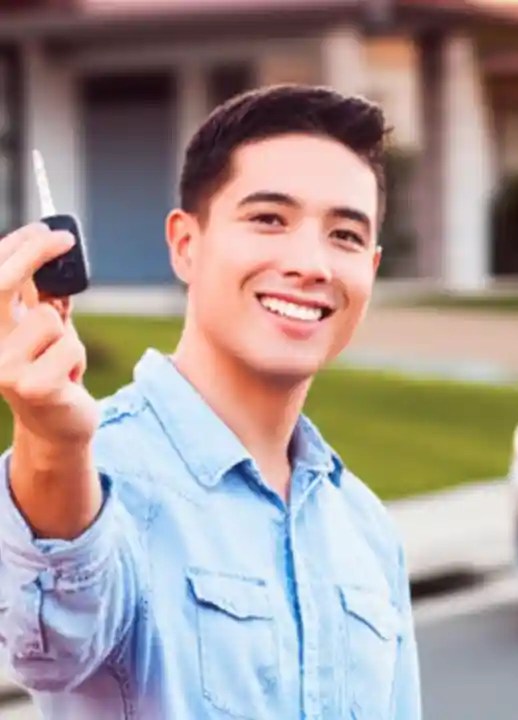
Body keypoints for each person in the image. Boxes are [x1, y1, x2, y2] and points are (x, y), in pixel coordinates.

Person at [0, 84, 421, 719]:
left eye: (345, 234)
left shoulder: (366, 529)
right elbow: (51, 645)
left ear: (372, 265)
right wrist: (53, 443)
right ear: (185, 244)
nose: (311, 263)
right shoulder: (100, 475)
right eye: (268, 219)